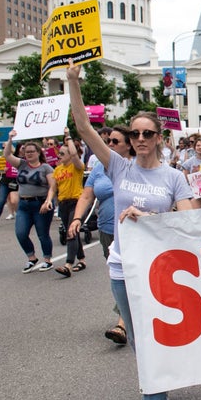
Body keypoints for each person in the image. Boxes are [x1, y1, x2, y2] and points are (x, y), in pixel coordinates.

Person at [67, 62, 197, 400]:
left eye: (147, 133)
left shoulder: (174, 176)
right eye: (134, 133)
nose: (140, 139)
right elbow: (84, 129)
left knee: (157, 338)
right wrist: (72, 82)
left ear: (160, 138)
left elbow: (190, 221)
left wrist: (151, 218)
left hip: (161, 272)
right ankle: (155, 394)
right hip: (123, 268)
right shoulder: (117, 167)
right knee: (142, 341)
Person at [70, 126, 135, 344]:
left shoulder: (137, 166)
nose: (110, 145)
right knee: (118, 275)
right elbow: (87, 196)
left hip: (134, 231)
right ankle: (128, 315)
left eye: (115, 142)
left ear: (129, 144)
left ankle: (122, 324)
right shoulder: (99, 168)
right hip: (108, 229)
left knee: (129, 275)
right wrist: (77, 218)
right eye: (108, 141)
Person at [3, 133, 56, 273]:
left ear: (39, 153)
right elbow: (7, 155)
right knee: (21, 233)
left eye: (32, 151)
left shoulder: (46, 168)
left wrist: (49, 200)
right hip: (24, 205)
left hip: (41, 204)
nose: (29, 154)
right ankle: (31, 258)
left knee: (42, 233)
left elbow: (53, 186)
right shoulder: (22, 165)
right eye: (26, 152)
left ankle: (47, 260)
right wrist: (10, 139)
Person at [51, 128, 87, 277]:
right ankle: (82, 260)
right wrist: (48, 200)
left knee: (71, 233)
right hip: (63, 204)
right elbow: (53, 188)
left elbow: (73, 153)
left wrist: (68, 137)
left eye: (62, 153)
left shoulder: (77, 166)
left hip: (76, 202)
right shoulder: (58, 170)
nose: (59, 156)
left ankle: (68, 264)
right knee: (72, 232)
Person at [0, 146, 20, 227]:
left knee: (14, 201)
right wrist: (2, 170)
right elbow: (0, 171)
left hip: (15, 182)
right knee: (1, 201)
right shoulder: (3, 159)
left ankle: (20, 216)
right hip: (5, 182)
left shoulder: (17, 159)